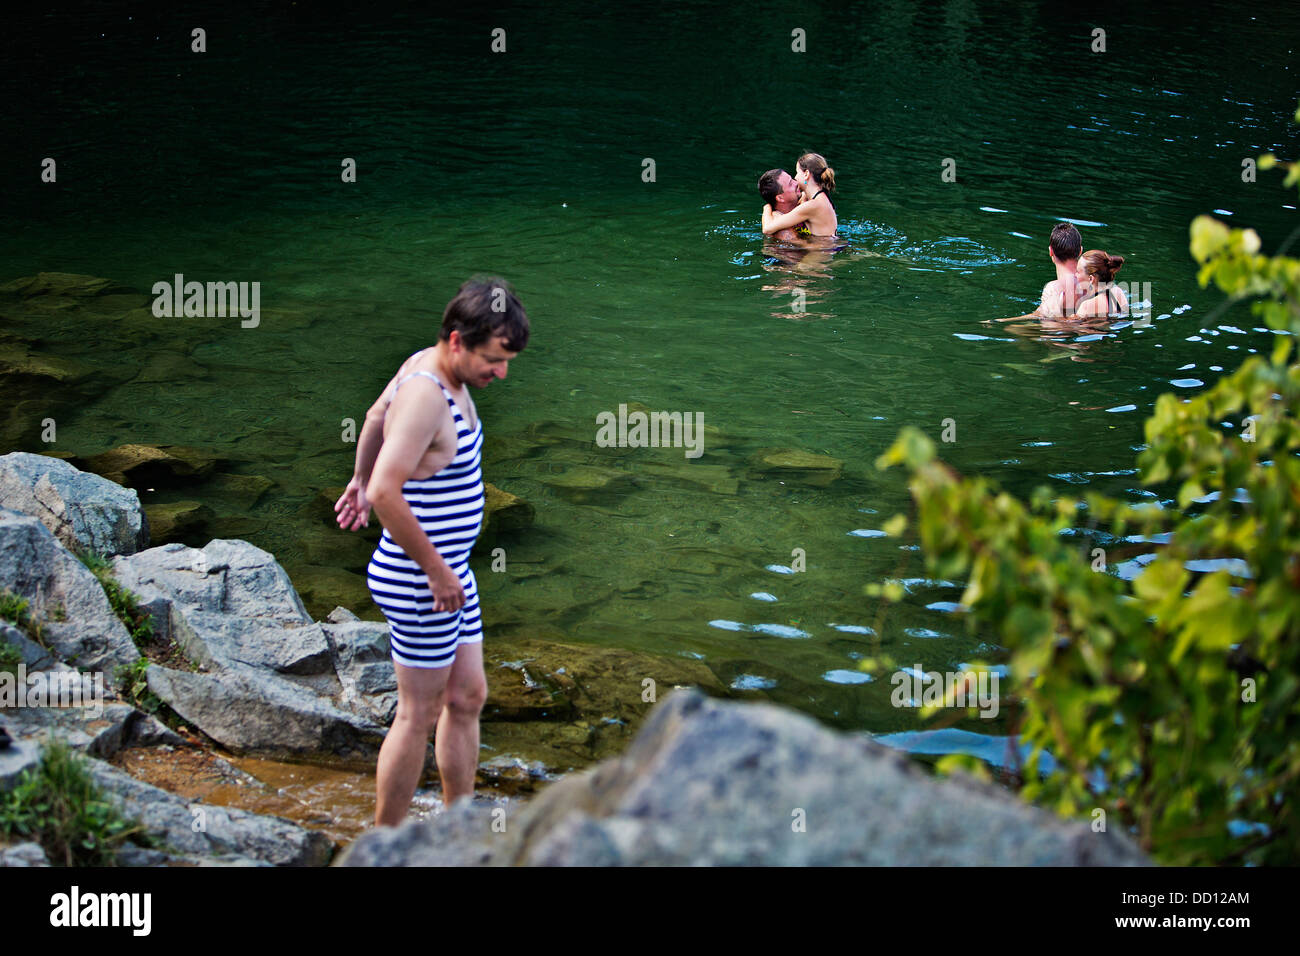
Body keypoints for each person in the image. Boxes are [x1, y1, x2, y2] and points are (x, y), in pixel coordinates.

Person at [334, 277, 528, 827]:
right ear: (458, 341)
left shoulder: (427, 361)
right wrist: (438, 572)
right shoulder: (427, 395)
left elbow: (373, 417)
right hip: (423, 580)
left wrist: (355, 477)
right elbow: (386, 494)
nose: (502, 373)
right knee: (418, 714)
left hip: (448, 574)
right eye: (494, 360)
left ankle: (456, 828)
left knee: (467, 696)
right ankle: (386, 843)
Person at [762, 152, 838, 237]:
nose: (795, 178)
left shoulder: (812, 206)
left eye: (797, 172)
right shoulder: (820, 196)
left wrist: (767, 207)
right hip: (832, 246)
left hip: (823, 249)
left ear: (806, 174)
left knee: (780, 227)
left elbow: (767, 228)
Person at [1037, 223, 1083, 317]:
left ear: (1051, 251)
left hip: (1059, 328)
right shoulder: (1097, 283)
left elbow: (1038, 315)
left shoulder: (1052, 288)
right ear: (1080, 251)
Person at [1073, 250, 1129, 317]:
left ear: (1091, 279)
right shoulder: (1118, 292)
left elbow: (1073, 327)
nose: (1075, 275)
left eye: (1078, 272)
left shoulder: (1086, 306)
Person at [757, 168, 806, 241]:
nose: (796, 183)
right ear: (780, 198)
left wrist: (766, 207)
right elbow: (808, 249)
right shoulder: (782, 229)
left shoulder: (805, 200)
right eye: (790, 184)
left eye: (792, 179)